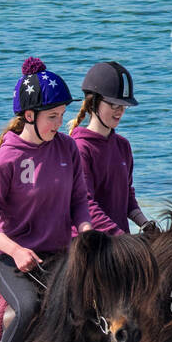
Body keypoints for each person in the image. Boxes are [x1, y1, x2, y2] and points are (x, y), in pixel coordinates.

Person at [0, 57, 93, 342]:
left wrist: (87, 231)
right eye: (52, 117)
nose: (60, 124)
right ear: (30, 116)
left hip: (60, 254)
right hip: (15, 261)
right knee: (28, 308)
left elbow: (79, 201)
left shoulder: (67, 148)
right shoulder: (7, 159)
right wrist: (16, 249)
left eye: (61, 116)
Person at [68, 61, 155, 235]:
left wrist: (144, 223)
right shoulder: (80, 148)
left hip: (119, 244)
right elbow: (86, 205)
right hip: (90, 244)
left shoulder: (123, 146)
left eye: (123, 106)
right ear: (93, 103)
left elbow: (127, 196)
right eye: (114, 105)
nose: (120, 111)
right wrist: (121, 237)